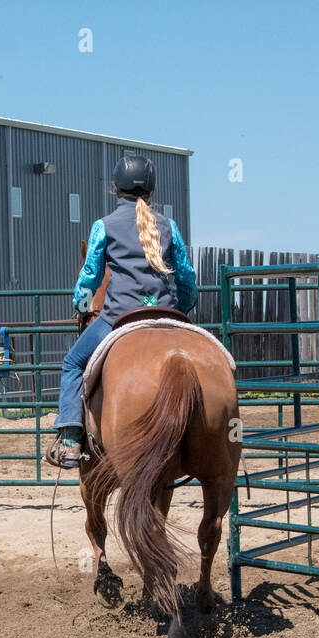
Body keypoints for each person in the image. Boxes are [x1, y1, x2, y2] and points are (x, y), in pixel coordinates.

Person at [45, 156, 198, 469]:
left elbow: (89, 277)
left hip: (118, 317)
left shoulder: (104, 226)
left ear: (116, 188)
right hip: (166, 314)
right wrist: (181, 308)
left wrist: (81, 305)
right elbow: (185, 276)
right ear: (152, 188)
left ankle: (72, 437)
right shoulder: (169, 226)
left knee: (73, 362)